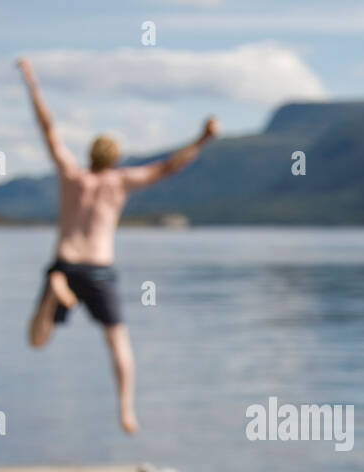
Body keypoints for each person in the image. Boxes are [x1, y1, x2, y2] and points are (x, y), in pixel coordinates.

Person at [17, 58, 220, 434]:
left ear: (90, 154)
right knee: (118, 343)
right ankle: (127, 410)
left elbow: (48, 129)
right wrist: (203, 139)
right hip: (98, 268)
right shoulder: (120, 182)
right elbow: (168, 167)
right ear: (117, 159)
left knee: (37, 340)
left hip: (64, 262)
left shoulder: (72, 175)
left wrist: (31, 81)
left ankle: (52, 296)